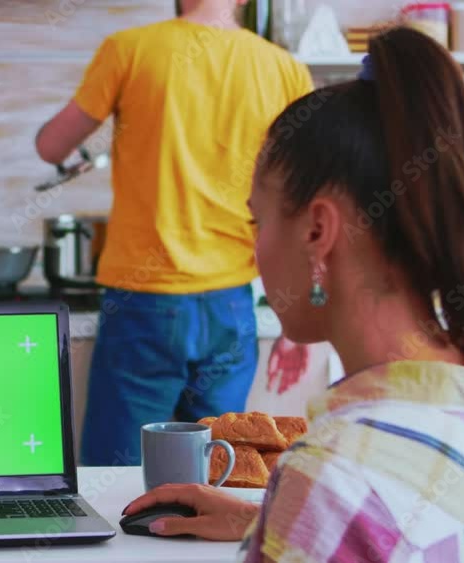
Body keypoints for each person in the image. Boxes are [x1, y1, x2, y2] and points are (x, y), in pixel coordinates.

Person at [123, 27, 464, 561]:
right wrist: (267, 523)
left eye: (258, 220)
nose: (254, 245)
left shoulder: (329, 477)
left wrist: (299, 515)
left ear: (317, 232)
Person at [34, 0, 315, 466]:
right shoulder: (283, 68)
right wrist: (297, 322)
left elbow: (51, 146)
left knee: (117, 477)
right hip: (230, 304)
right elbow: (301, 200)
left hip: (144, 302)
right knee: (216, 472)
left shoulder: (130, 49)